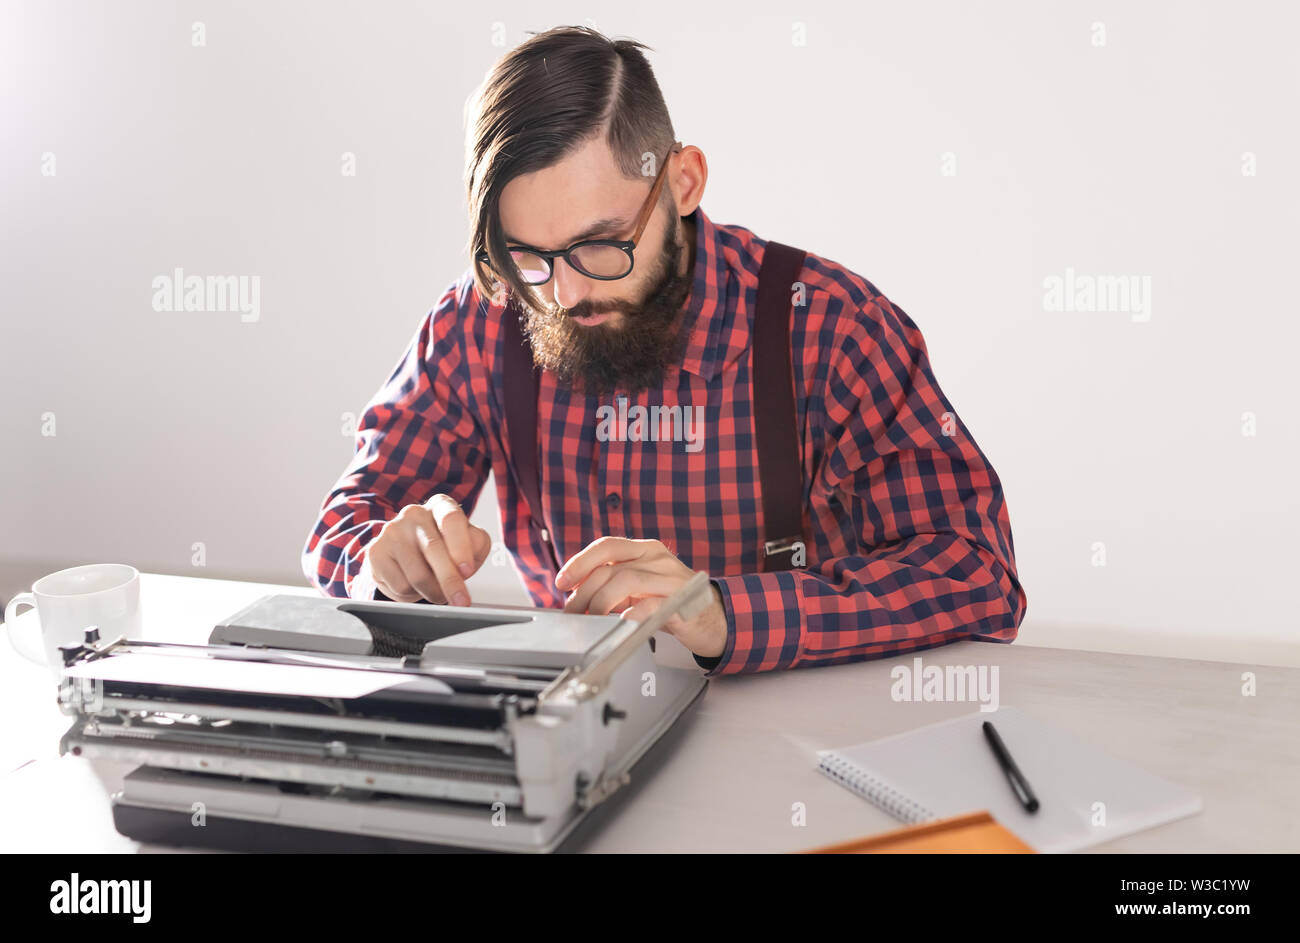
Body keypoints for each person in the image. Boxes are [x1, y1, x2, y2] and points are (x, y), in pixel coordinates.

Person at [302, 25, 1027, 676]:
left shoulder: (830, 328)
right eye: (528, 255)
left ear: (683, 182)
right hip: (584, 732)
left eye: (599, 245)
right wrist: (381, 566)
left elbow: (978, 572)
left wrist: (725, 613)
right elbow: (346, 522)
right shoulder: (487, 316)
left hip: (802, 741)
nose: (563, 295)